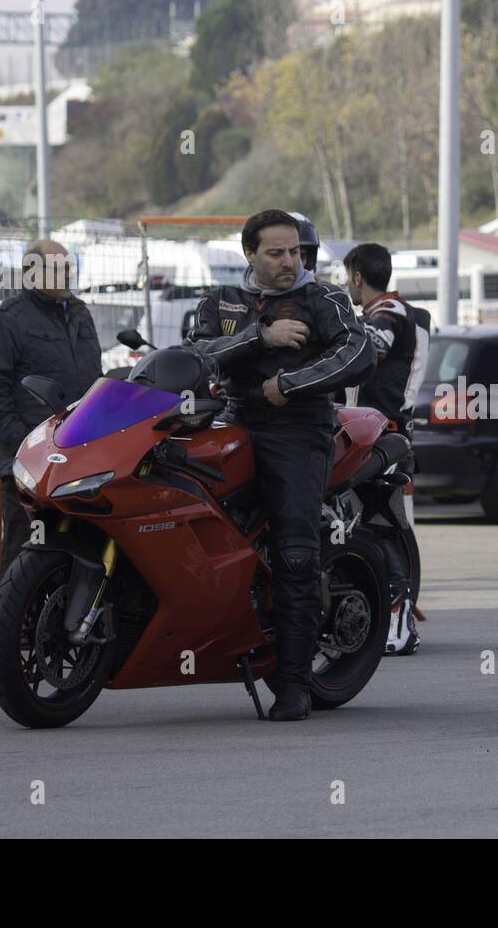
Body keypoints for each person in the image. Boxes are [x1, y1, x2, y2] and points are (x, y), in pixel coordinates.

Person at [188, 209, 375, 721]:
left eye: (295, 251)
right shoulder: (221, 301)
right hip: (232, 420)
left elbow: (358, 352)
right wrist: (260, 338)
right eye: (276, 253)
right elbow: (197, 353)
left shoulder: (325, 297)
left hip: (299, 429)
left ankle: (293, 685)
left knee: (295, 551)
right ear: (249, 255)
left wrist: (291, 384)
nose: (290, 261)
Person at [0, 240, 102, 577]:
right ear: (31, 273)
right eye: (56, 269)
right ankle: (11, 629)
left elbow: (92, 380)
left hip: (76, 458)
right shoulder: (7, 320)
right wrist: (22, 443)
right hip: (27, 466)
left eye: (67, 268)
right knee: (24, 557)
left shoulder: (80, 314)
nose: (65, 276)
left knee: (74, 552)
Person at [343, 242, 430, 655]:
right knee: (379, 529)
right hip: (383, 438)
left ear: (358, 276)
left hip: (384, 440)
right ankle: (393, 616)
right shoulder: (402, 312)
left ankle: (399, 623)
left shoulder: (389, 312)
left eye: (348, 277)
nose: (347, 284)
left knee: (382, 530)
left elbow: (371, 348)